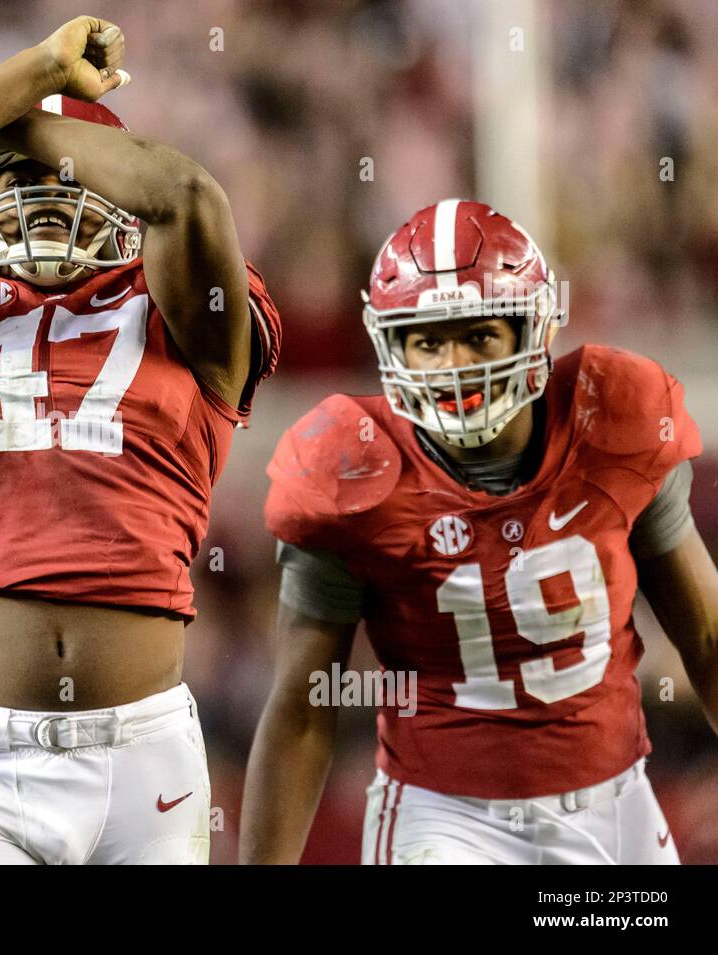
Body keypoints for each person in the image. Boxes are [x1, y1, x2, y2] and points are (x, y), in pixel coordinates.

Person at [0, 17, 281, 863]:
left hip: (146, 755)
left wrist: (11, 116)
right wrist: (38, 70)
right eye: (19, 179)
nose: (43, 198)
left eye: (62, 176)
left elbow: (189, 197)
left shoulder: (173, 311)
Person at [242, 198, 718, 864]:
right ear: (391, 343)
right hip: (448, 818)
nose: (453, 362)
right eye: (429, 340)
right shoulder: (350, 467)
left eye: (478, 334)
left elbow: (706, 635)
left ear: (531, 331)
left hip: (614, 803)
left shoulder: (614, 417)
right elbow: (301, 706)